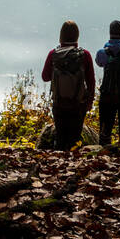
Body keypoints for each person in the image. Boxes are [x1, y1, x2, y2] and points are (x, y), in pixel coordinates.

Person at [42, 20, 95, 151]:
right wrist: (89, 101)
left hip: (59, 103)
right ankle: (73, 167)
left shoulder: (53, 54)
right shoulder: (85, 55)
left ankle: (58, 164)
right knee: (75, 138)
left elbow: (45, 77)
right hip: (78, 104)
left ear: (61, 35)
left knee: (60, 136)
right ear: (77, 35)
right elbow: (91, 81)